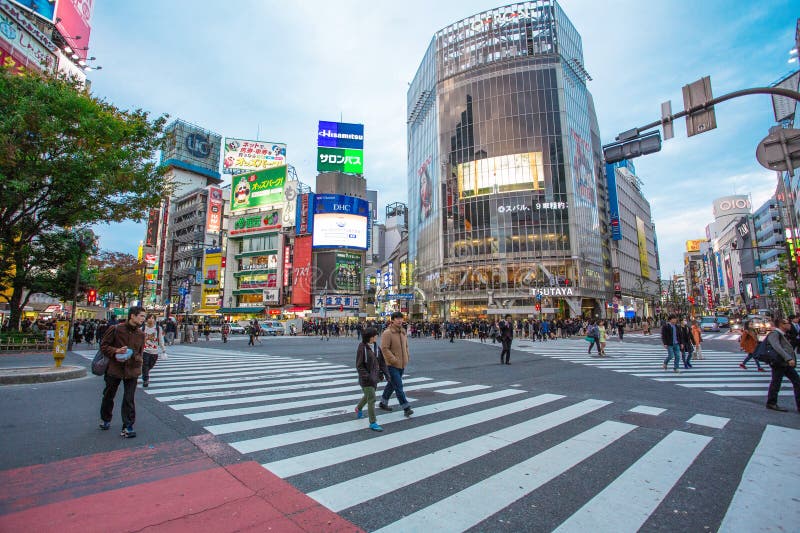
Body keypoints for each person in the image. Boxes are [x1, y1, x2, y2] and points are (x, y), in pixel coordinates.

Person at [99, 306, 146, 438]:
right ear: (132, 316)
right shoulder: (115, 329)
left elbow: (140, 353)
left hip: (132, 369)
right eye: (141, 316)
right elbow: (103, 346)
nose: (143, 319)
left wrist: (135, 357)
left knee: (129, 398)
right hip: (114, 368)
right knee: (109, 395)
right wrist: (116, 351)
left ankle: (128, 426)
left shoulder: (141, 334)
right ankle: (105, 419)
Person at [378, 311, 413, 417]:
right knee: (398, 386)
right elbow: (384, 348)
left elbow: (406, 346)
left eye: (401, 318)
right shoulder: (387, 333)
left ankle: (383, 403)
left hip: (402, 363)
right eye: (397, 318)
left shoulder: (402, 332)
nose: (400, 320)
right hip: (391, 364)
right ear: (392, 320)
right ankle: (406, 407)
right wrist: (393, 360)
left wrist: (407, 356)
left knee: (392, 385)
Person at [355, 327, 389, 432]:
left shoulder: (376, 347)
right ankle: (373, 422)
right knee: (372, 398)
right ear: (370, 337)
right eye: (375, 335)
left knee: (368, 396)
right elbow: (359, 366)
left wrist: (387, 374)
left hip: (375, 378)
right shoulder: (362, 348)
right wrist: (367, 376)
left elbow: (382, 362)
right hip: (366, 379)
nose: (377, 336)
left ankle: (358, 408)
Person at [764, 318, 800, 412]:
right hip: (779, 363)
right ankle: (771, 403)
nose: (790, 325)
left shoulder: (781, 334)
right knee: (776, 382)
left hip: (784, 363)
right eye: (788, 323)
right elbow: (777, 347)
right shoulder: (774, 334)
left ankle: (772, 402)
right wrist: (788, 358)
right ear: (781, 325)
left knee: (796, 382)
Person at [141, 313, 165, 388]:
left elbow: (161, 339)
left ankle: (145, 372)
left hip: (154, 350)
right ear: (146, 319)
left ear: (155, 320)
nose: (151, 319)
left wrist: (163, 349)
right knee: (145, 364)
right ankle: (146, 379)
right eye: (149, 318)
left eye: (152, 318)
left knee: (150, 365)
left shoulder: (158, 328)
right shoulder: (142, 328)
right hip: (145, 350)